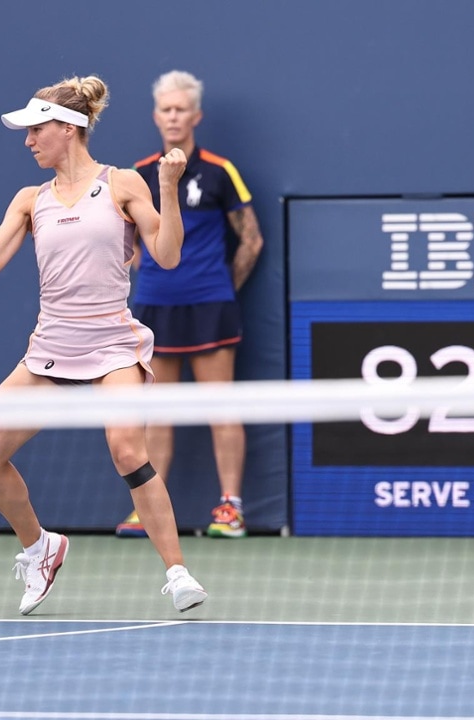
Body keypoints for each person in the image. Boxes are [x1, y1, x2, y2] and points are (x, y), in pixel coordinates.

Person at [0, 75, 207, 615]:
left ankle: (177, 572)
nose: (28, 140)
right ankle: (40, 548)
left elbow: (169, 254)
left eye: (36, 130)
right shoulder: (29, 200)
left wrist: (170, 188)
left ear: (68, 129)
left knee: (128, 451)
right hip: (52, 348)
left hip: (113, 345)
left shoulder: (123, 185)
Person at [115, 70, 264, 540]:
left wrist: (221, 287)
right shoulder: (138, 174)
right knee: (158, 413)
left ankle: (230, 509)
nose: (174, 116)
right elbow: (125, 238)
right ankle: (150, 512)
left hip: (210, 306)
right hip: (156, 308)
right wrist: (149, 269)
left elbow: (252, 239)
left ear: (195, 116)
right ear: (156, 117)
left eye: (181, 109)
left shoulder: (220, 171)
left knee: (220, 407)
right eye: (166, 109)